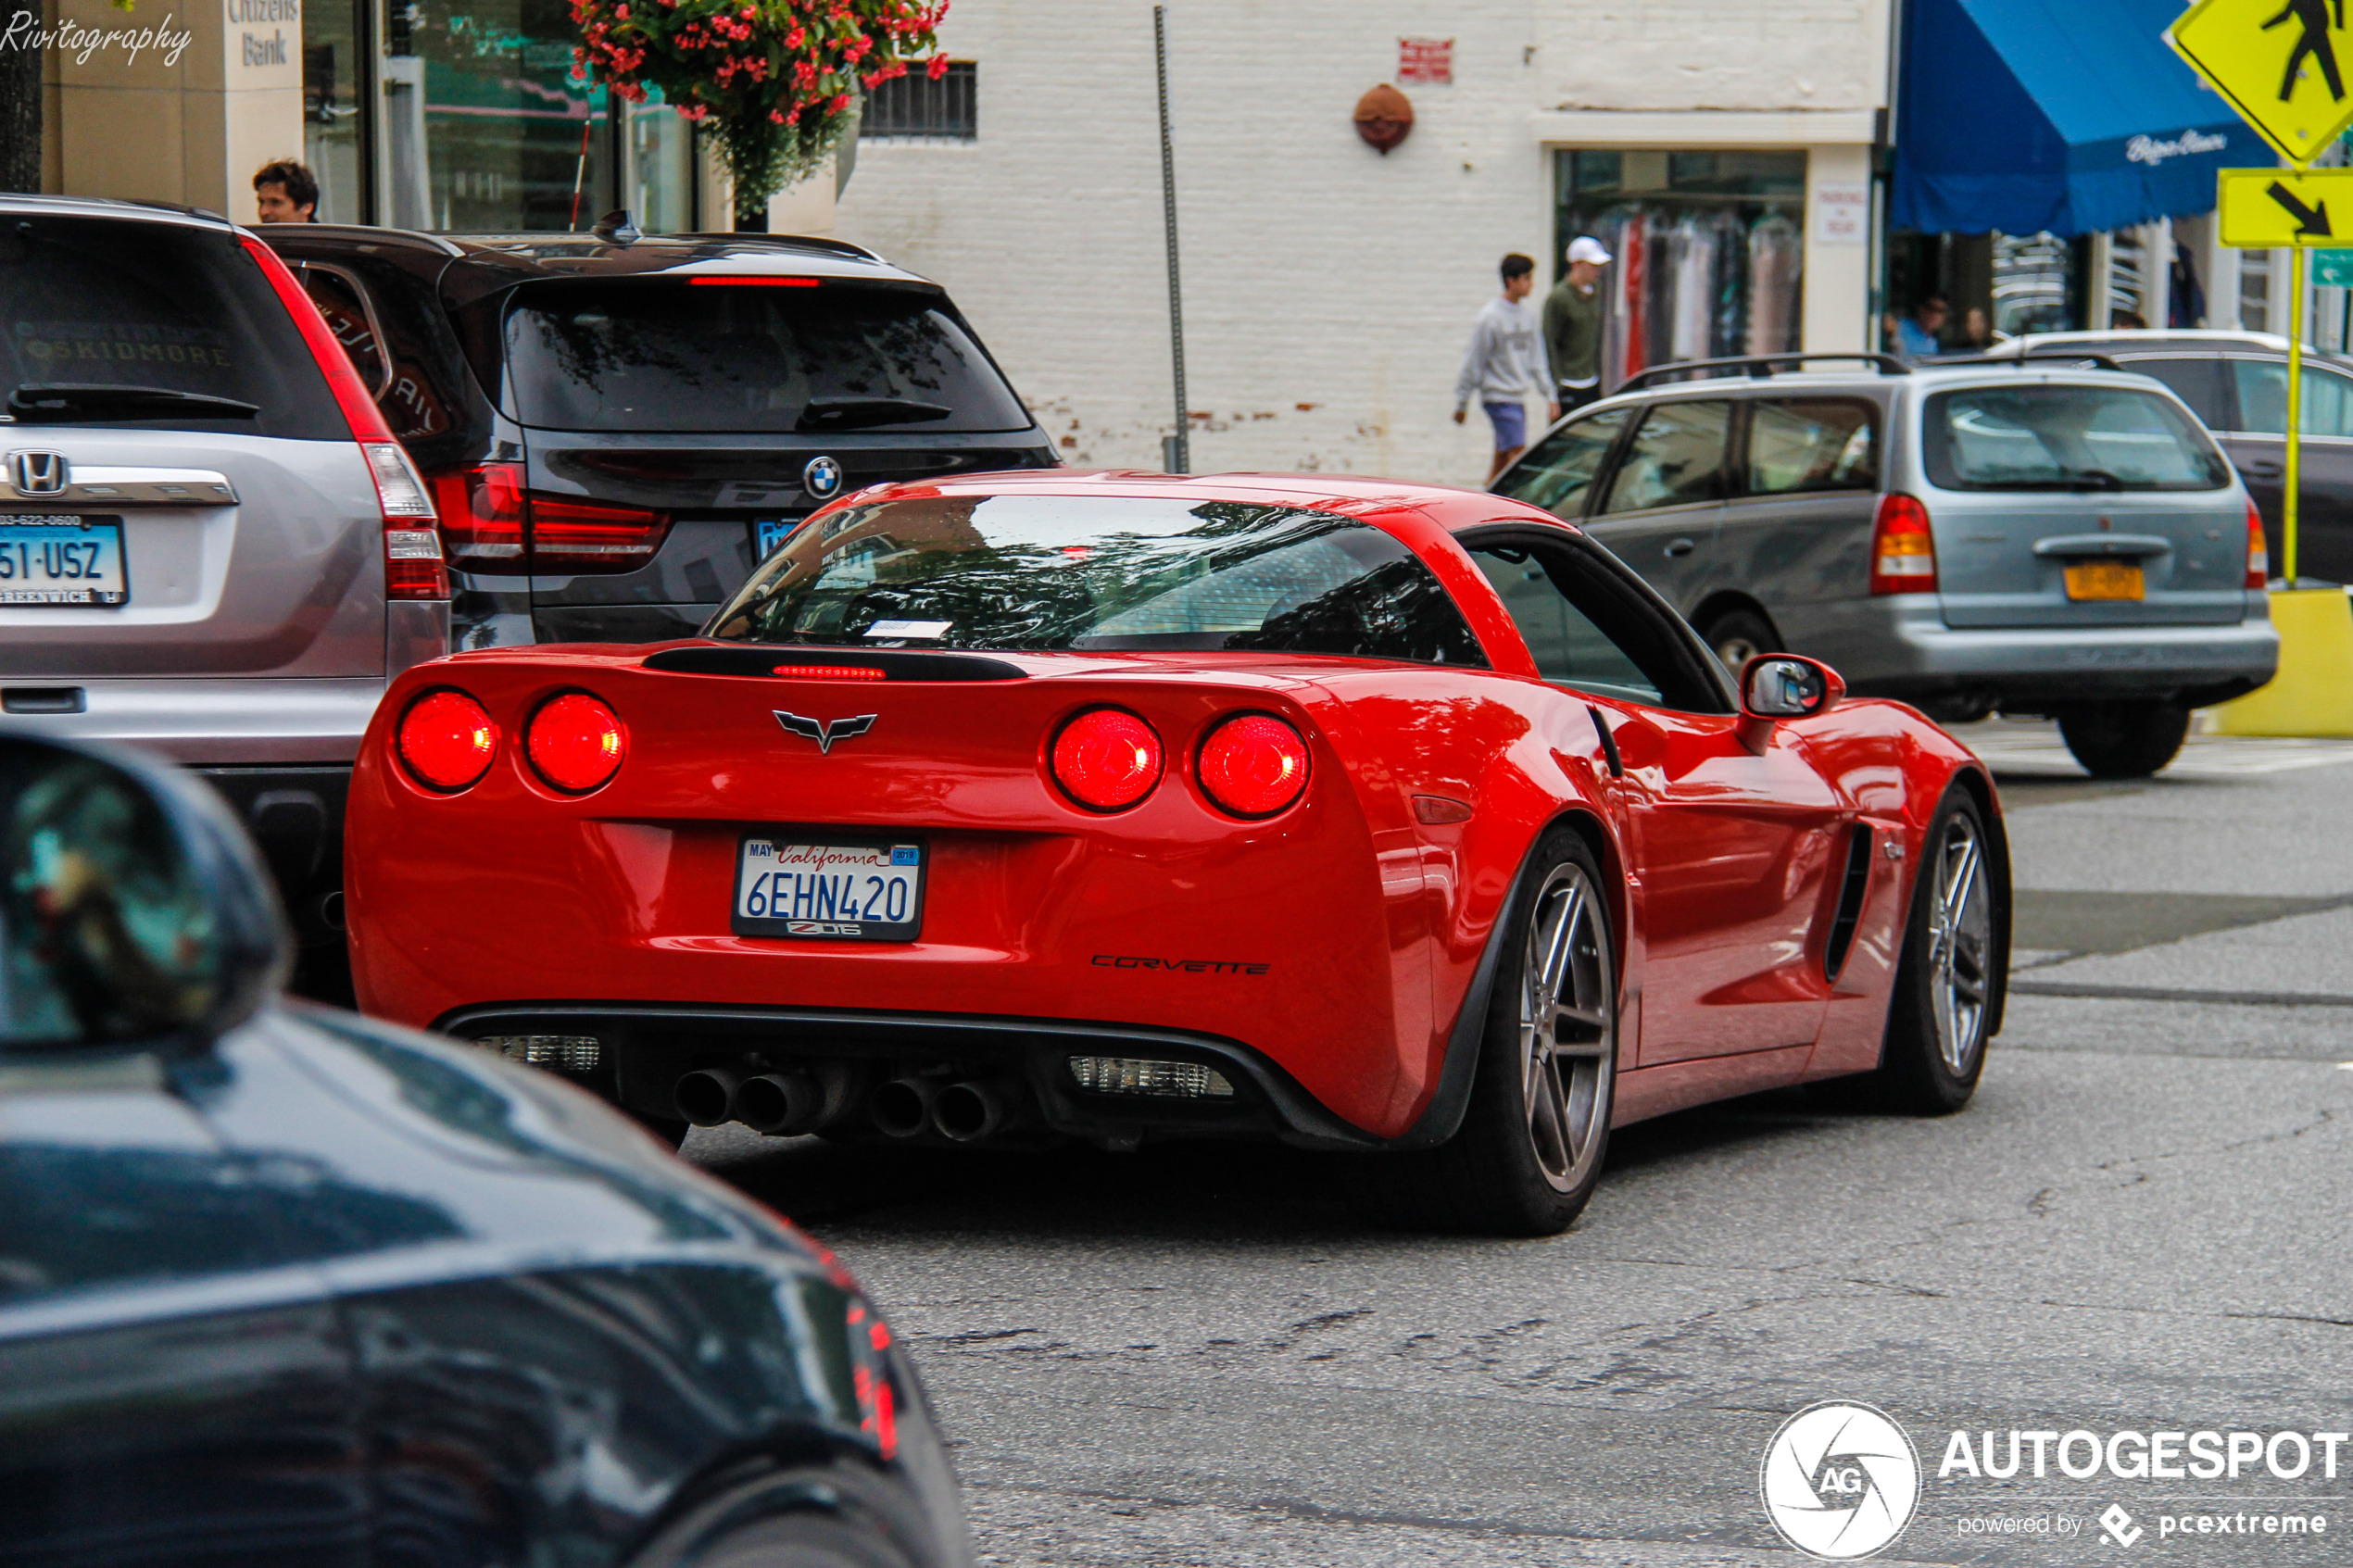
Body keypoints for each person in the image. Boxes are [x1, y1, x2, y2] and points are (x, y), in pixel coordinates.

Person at [1453, 254, 1557, 483]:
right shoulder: (1490, 317)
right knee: (1517, 455)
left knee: (1502, 459)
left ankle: (1488, 497)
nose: (1532, 284)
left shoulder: (1528, 315)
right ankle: (1520, 502)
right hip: (1498, 397)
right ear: (1511, 281)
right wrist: (1462, 402)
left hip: (1517, 397)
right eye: (1527, 278)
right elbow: (1474, 361)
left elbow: (1537, 359)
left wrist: (1549, 394)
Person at [1542, 236, 1612, 415]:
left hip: (1592, 381)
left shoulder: (1596, 293)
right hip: (1568, 384)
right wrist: (1556, 387)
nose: (1598, 271)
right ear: (1576, 264)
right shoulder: (1559, 298)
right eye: (1592, 266)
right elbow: (1549, 343)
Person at [253, 159, 320, 223]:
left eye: (276, 202)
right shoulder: (255, 234)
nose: (263, 212)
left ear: (306, 207)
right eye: (261, 202)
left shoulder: (325, 235)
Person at [1896, 295, 1948, 361]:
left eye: (1940, 311)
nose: (1935, 315)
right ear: (1921, 309)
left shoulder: (1933, 343)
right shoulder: (1901, 327)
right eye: (1931, 309)